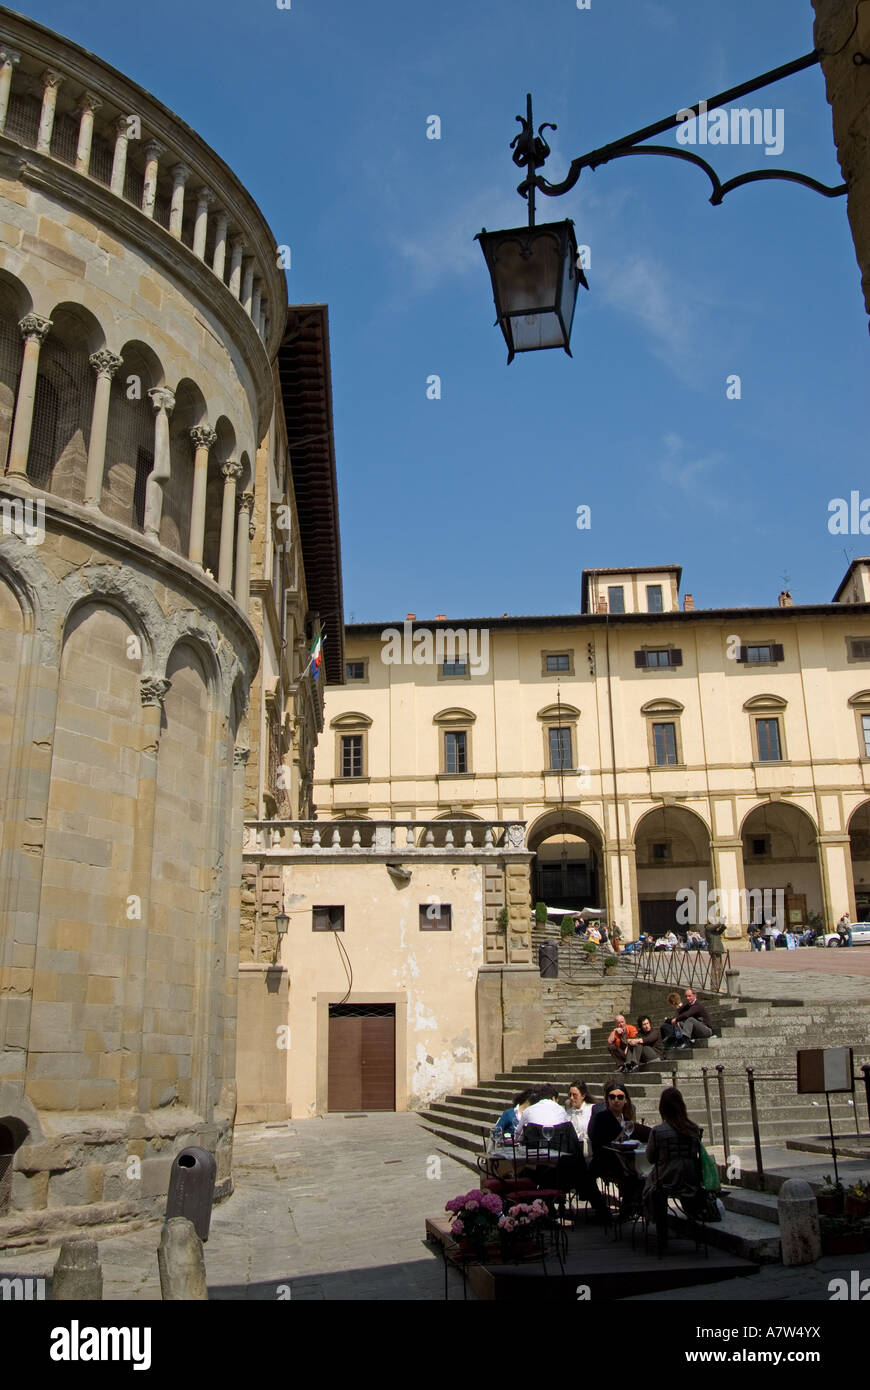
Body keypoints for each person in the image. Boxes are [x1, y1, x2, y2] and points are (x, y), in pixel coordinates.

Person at [642, 1086, 704, 1248]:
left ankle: (659, 1229)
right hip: (691, 1178)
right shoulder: (694, 1130)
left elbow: (650, 1158)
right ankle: (694, 1227)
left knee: (651, 1185)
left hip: (667, 1179)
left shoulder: (658, 1131)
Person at [588, 1080, 651, 1215]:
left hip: (628, 1159)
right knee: (633, 1173)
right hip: (607, 1160)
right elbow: (596, 1139)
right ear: (607, 1100)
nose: (616, 1100)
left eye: (620, 1097)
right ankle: (628, 1206)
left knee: (643, 1172)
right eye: (612, 1097)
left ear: (626, 1100)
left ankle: (631, 1205)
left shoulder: (627, 1118)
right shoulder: (601, 1117)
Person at [564, 1080, 597, 1156]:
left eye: (575, 1095)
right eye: (570, 1095)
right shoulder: (568, 1113)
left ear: (583, 1096)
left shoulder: (592, 1109)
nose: (571, 1098)